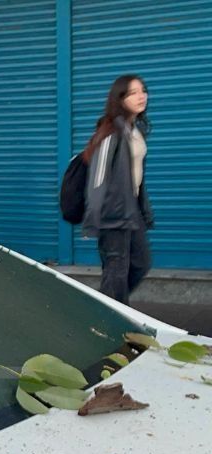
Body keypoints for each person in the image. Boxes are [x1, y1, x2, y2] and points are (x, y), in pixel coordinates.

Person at [82, 74, 153, 304]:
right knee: (116, 271)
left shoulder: (134, 130)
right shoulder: (111, 130)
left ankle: (109, 307)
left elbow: (136, 178)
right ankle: (110, 317)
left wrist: (143, 209)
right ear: (119, 98)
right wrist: (93, 218)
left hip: (131, 211)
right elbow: (98, 177)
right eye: (133, 92)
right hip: (112, 213)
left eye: (143, 90)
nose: (141, 96)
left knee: (140, 264)